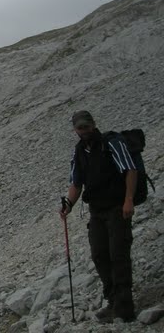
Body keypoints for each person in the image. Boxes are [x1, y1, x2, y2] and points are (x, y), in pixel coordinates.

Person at [59, 110, 138, 323]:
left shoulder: (110, 143)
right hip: (96, 210)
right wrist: (68, 204)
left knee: (118, 254)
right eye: (80, 127)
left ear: (93, 124)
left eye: (86, 126)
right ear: (75, 129)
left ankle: (125, 307)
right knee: (100, 254)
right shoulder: (78, 152)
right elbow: (76, 183)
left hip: (117, 207)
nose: (84, 130)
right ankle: (113, 300)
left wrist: (128, 199)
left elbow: (130, 170)